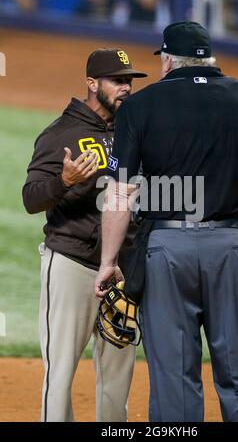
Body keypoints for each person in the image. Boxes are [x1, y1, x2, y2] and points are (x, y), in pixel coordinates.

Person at [95, 21, 238, 422]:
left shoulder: (140, 106)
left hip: (166, 252)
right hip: (232, 248)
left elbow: (120, 193)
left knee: (174, 376)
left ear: (167, 61)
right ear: (209, 58)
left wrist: (108, 262)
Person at [22, 48, 147, 422]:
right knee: (59, 374)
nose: (126, 88)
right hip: (71, 265)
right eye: (117, 81)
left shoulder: (135, 132)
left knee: (117, 380)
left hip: (121, 273)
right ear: (92, 84)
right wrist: (64, 181)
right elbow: (30, 198)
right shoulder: (61, 134)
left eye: (129, 81)